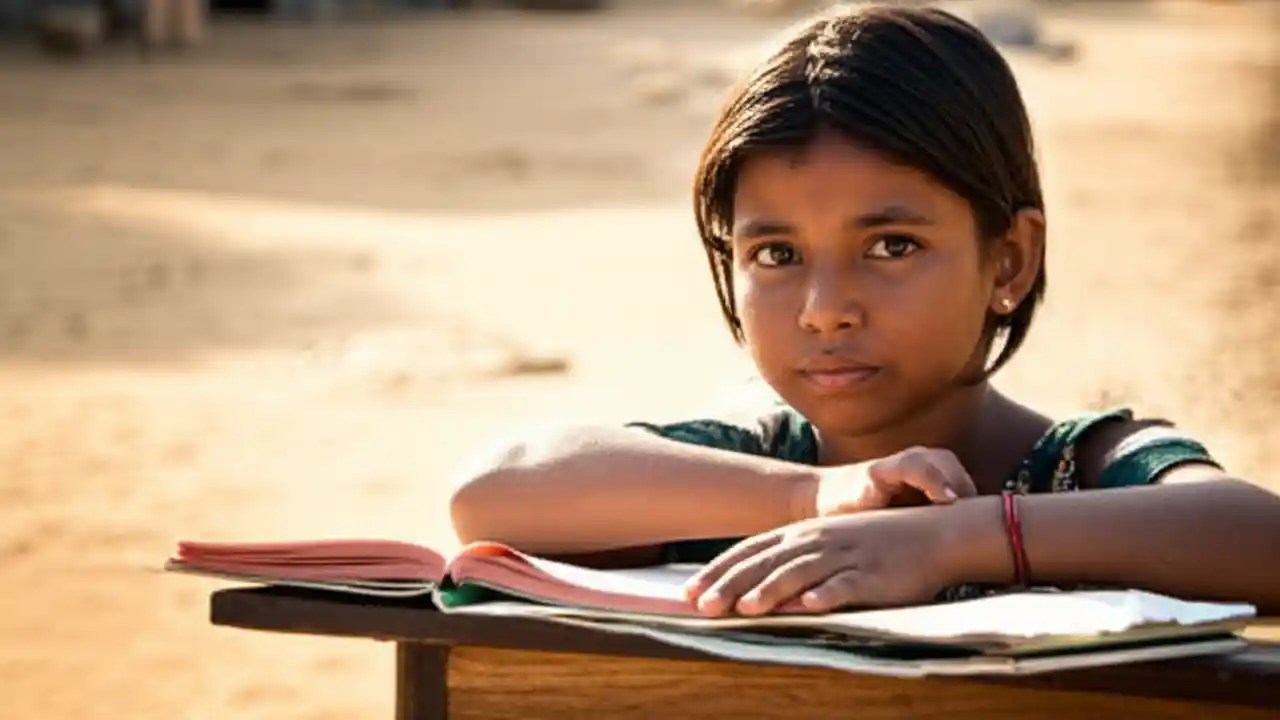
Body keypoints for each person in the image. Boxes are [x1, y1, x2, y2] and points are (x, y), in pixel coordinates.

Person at [448, 4, 1280, 617]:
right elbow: (494, 489)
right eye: (776, 255)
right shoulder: (759, 464)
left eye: (890, 246)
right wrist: (814, 498)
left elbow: (1258, 537)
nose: (824, 310)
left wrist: (951, 539)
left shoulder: (1084, 465)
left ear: (1010, 259)